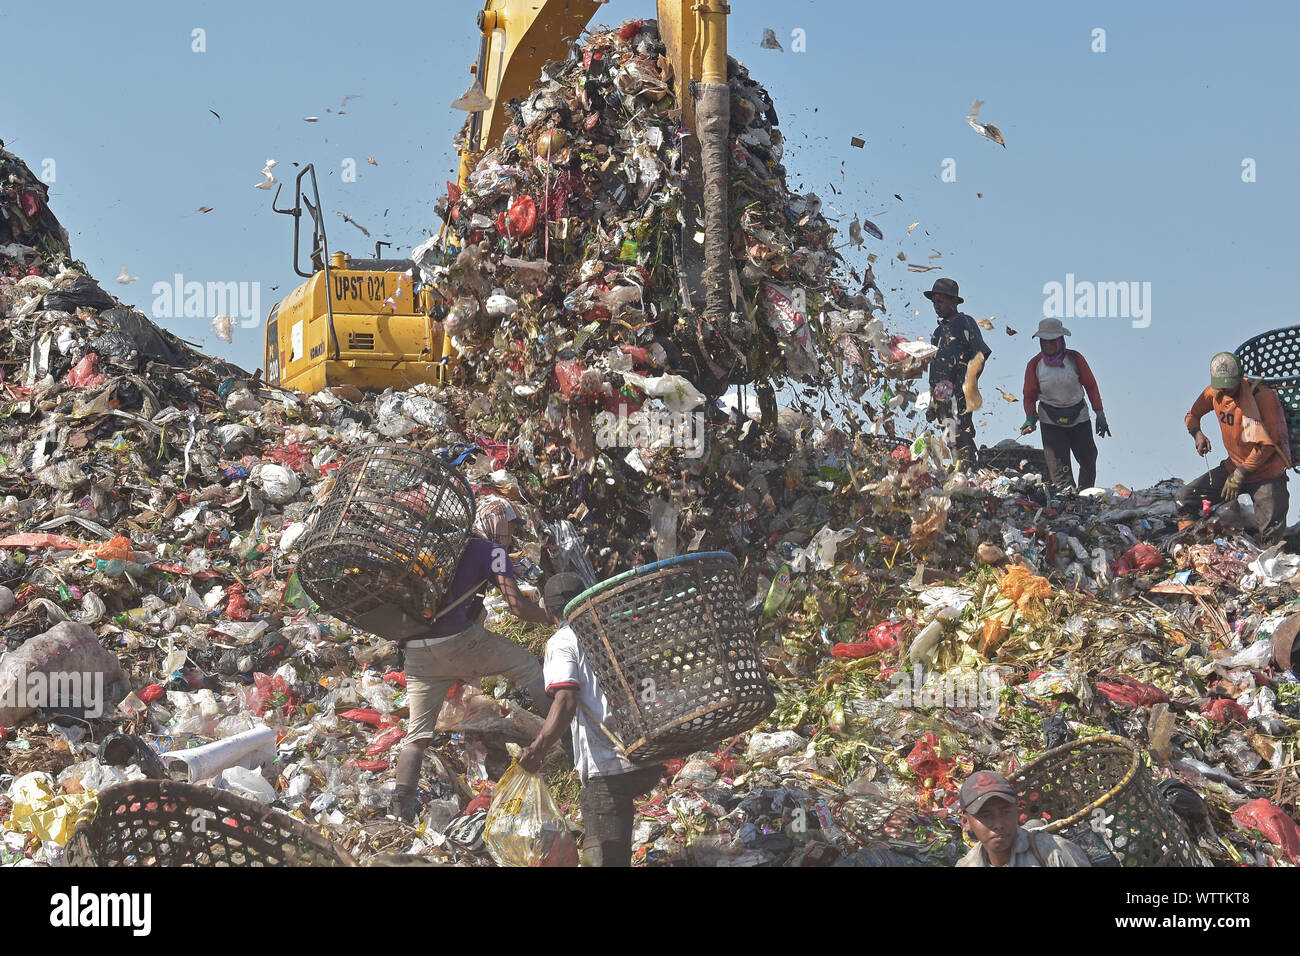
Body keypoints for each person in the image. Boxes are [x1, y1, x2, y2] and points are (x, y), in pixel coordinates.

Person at [389, 534, 559, 823]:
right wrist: (551, 617)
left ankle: (400, 809)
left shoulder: (435, 548)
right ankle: (562, 740)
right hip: (457, 640)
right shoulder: (491, 550)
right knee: (529, 665)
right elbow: (516, 606)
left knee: (416, 736)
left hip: (416, 652)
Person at [519, 573, 663, 867]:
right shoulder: (615, 633)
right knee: (615, 825)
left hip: (608, 767)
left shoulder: (562, 641)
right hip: (646, 758)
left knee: (605, 852)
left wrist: (538, 748)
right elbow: (648, 685)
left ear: (548, 610)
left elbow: (566, 700)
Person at [1175, 352, 1292, 545]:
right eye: (1222, 386)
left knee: (1271, 536)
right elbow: (1192, 415)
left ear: (1240, 378)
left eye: (1231, 385)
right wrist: (1197, 434)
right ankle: (1191, 553)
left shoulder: (1261, 397)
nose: (1227, 391)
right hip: (1233, 467)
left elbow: (1268, 446)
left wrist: (1240, 475)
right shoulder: (1213, 393)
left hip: (1266, 474)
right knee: (1185, 499)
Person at [1018, 319, 1110, 492]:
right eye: (1045, 341)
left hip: (1078, 416)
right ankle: (1067, 500)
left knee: (1088, 458)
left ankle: (1085, 495)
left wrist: (1100, 414)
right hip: (1050, 420)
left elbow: (1091, 386)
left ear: (1061, 341)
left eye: (1052, 341)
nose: (1049, 345)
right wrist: (1030, 417)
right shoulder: (1035, 365)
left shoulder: (1075, 359)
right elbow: (1029, 396)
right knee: (1060, 469)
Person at [955, 770, 1091, 867]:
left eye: (1005, 812)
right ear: (965, 822)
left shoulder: (1054, 852)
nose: (999, 824)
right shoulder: (967, 864)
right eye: (986, 816)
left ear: (1016, 811)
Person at [923, 278, 992, 469]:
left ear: (954, 302)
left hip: (960, 393)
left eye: (941, 302)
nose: (937, 306)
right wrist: (932, 403)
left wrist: (967, 384)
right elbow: (935, 371)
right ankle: (962, 471)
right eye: (934, 302)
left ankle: (968, 471)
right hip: (942, 394)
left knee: (961, 432)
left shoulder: (964, 323)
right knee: (950, 433)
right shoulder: (938, 333)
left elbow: (980, 355)